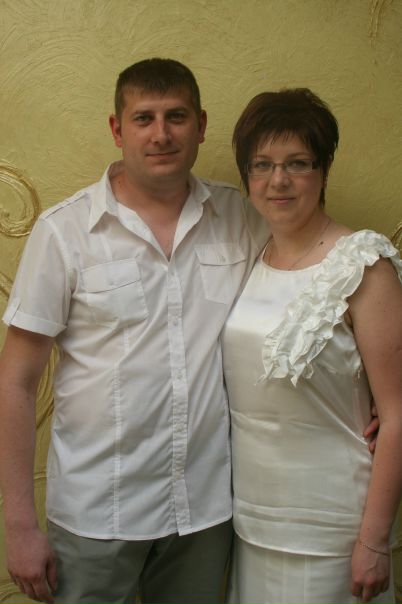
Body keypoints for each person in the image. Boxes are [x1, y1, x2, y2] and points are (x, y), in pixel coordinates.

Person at [0, 58, 268, 604]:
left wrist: (367, 389)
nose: (161, 134)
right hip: (98, 513)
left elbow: (304, 286)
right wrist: (20, 525)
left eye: (177, 116)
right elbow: (16, 382)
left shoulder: (241, 218)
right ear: (117, 129)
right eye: (143, 118)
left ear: (201, 125)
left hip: (205, 511)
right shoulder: (65, 232)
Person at [222, 88, 402, 604]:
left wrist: (374, 540)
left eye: (297, 163)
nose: (278, 180)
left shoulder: (363, 266)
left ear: (324, 171)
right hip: (253, 522)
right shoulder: (252, 258)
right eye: (262, 165)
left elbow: (397, 414)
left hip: (335, 532)